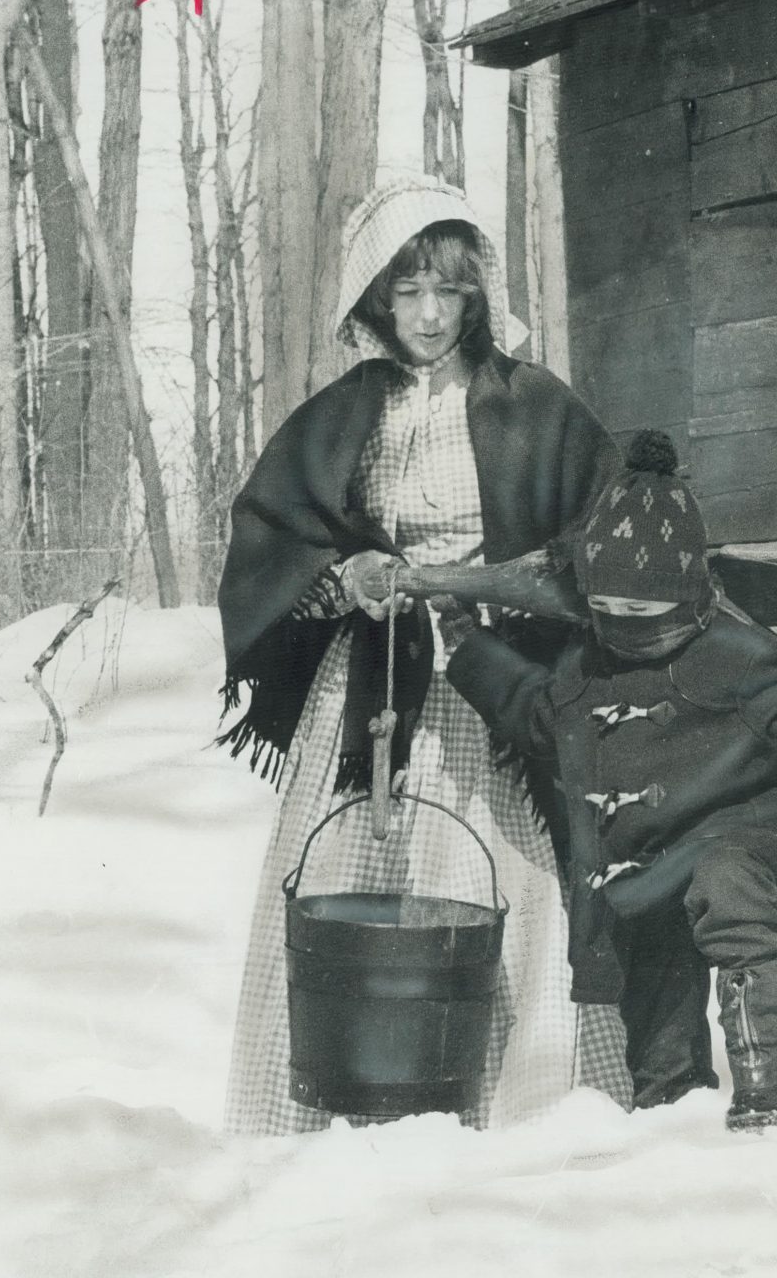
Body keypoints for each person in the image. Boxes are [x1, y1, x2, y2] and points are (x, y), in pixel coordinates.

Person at [216, 177, 630, 1133]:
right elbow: (277, 534)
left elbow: (603, 535)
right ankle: (318, 1105)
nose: (431, 314)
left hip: (493, 683)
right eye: (408, 293)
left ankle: (522, 1107)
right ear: (376, 300)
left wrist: (516, 585)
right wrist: (346, 573)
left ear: (476, 295)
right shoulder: (347, 413)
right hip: (371, 689)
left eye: (448, 291)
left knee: (502, 877)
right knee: (338, 878)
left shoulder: (535, 406)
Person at [442, 432, 777, 1130]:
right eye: (612, 611)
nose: (626, 628)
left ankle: (765, 1094)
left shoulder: (735, 655)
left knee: (730, 901)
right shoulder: (584, 670)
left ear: (687, 595)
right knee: (655, 987)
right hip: (644, 860)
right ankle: (670, 1114)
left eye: (646, 613)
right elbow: (533, 714)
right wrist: (468, 649)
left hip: (741, 829)